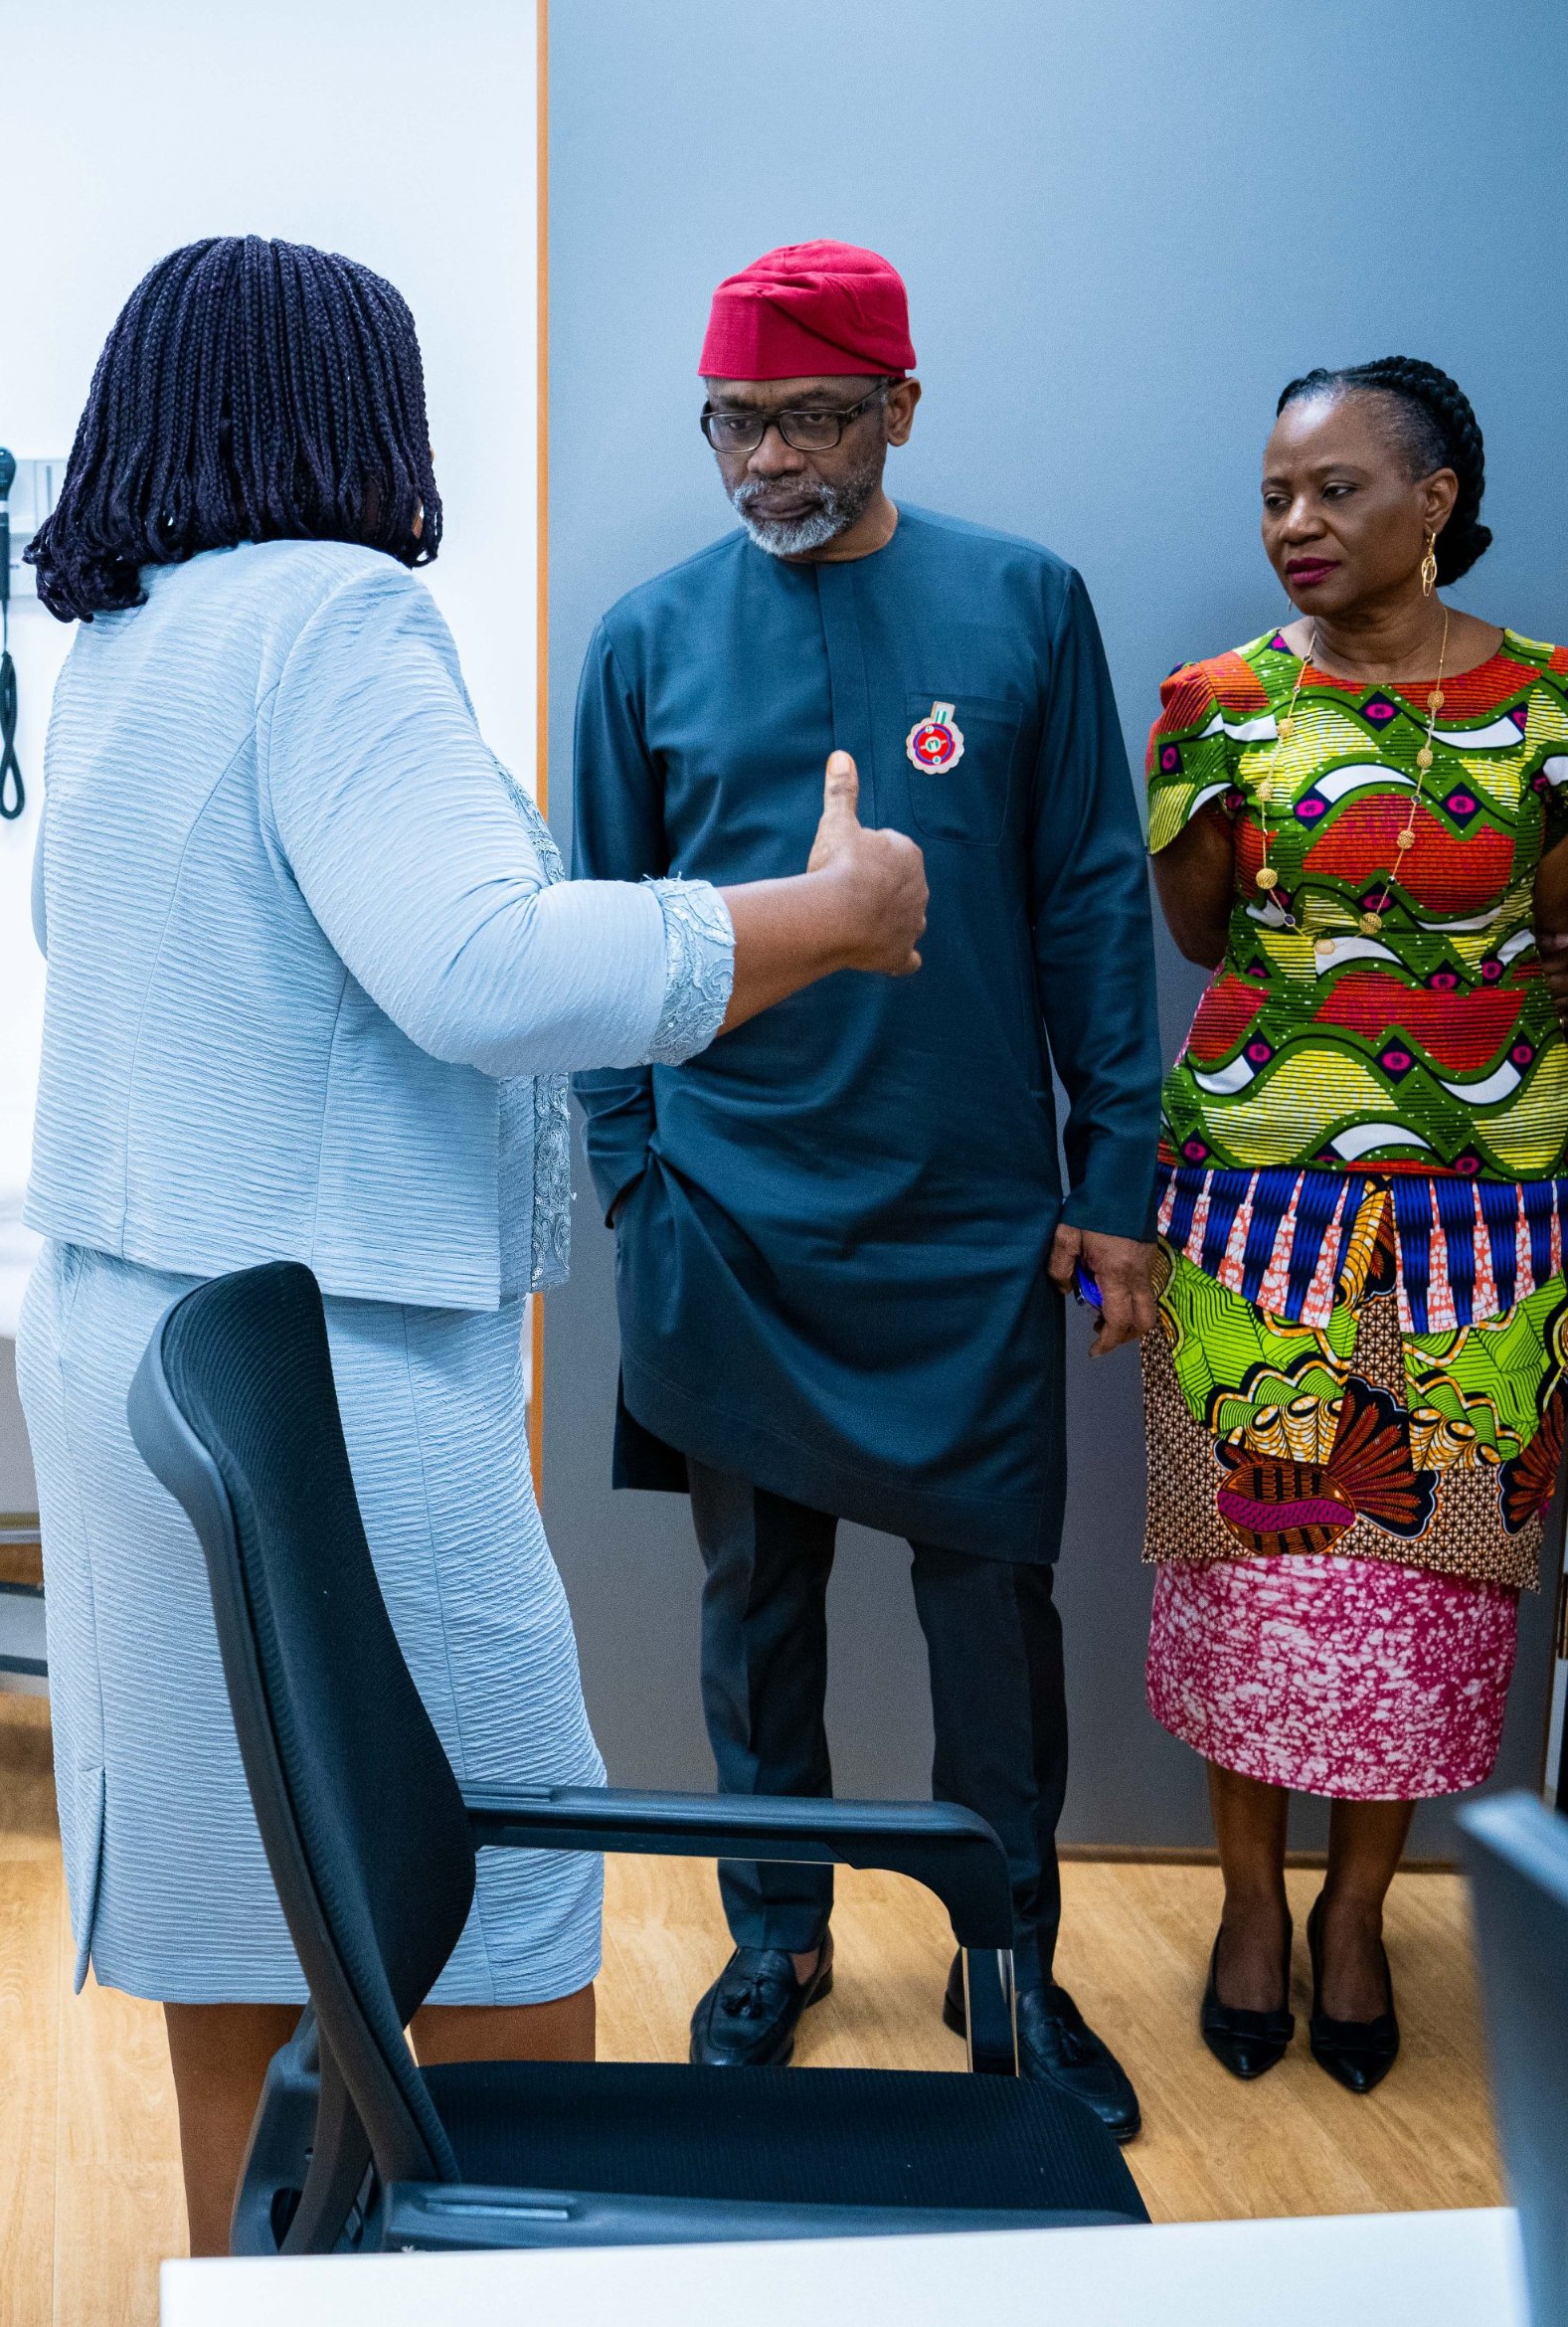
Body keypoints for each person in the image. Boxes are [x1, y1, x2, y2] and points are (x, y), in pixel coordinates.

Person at [16, 234, 929, 2256]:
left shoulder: (127, 642)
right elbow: (484, 969)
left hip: (145, 1353)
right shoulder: (337, 614)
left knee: (241, 1883)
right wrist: (824, 919)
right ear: (354, 406)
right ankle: (520, 2287)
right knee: (496, 1873)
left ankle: (256, 2292)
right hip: (331, 1371)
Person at [564, 240, 1161, 2137]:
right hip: (729, 1214)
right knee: (757, 1617)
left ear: (901, 406)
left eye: (810, 417)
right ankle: (776, 1941)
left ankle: (1012, 1970)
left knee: (998, 1620)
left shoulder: (1024, 605)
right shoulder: (647, 639)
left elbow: (1088, 898)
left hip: (969, 1213)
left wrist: (1118, 1177)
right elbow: (599, 935)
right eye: (734, 421)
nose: (764, 461)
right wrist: (635, 1183)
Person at [1142, 358, 1562, 2095]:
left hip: (1485, 1220)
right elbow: (1195, 939)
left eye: (1333, 491)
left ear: (1435, 500)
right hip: (1255, 1206)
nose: (1294, 526)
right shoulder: (1216, 697)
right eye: (1273, 497)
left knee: (1431, 1575)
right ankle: (1251, 1903)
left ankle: (1360, 1910)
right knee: (1255, 1560)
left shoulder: (1551, 706)